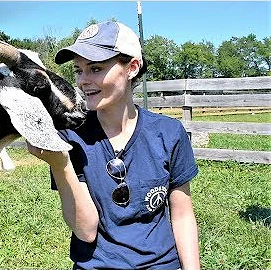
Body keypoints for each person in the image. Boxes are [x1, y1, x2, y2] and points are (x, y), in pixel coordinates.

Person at [27, 21, 200, 269]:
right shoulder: (70, 137)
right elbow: (86, 231)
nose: (83, 81)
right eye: (78, 70)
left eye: (95, 68)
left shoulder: (168, 133)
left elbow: (182, 214)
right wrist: (60, 164)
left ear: (132, 67)